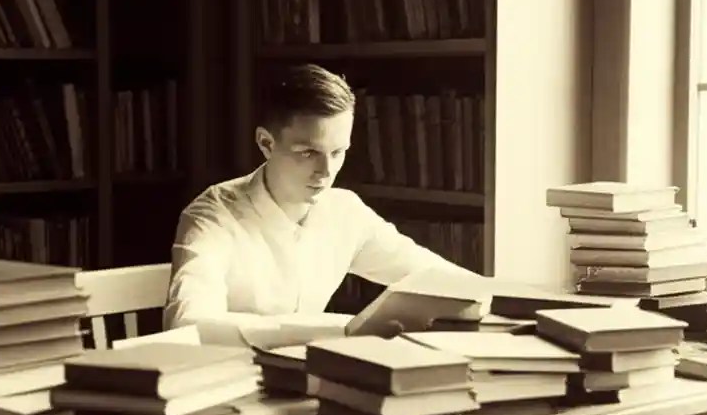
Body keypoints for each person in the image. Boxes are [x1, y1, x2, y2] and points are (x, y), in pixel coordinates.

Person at [163, 63, 475, 350]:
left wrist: (504, 300)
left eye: (338, 152)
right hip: (225, 389)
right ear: (266, 143)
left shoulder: (345, 212)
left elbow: (433, 276)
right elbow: (186, 324)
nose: (326, 172)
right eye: (308, 152)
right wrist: (340, 329)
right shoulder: (213, 217)